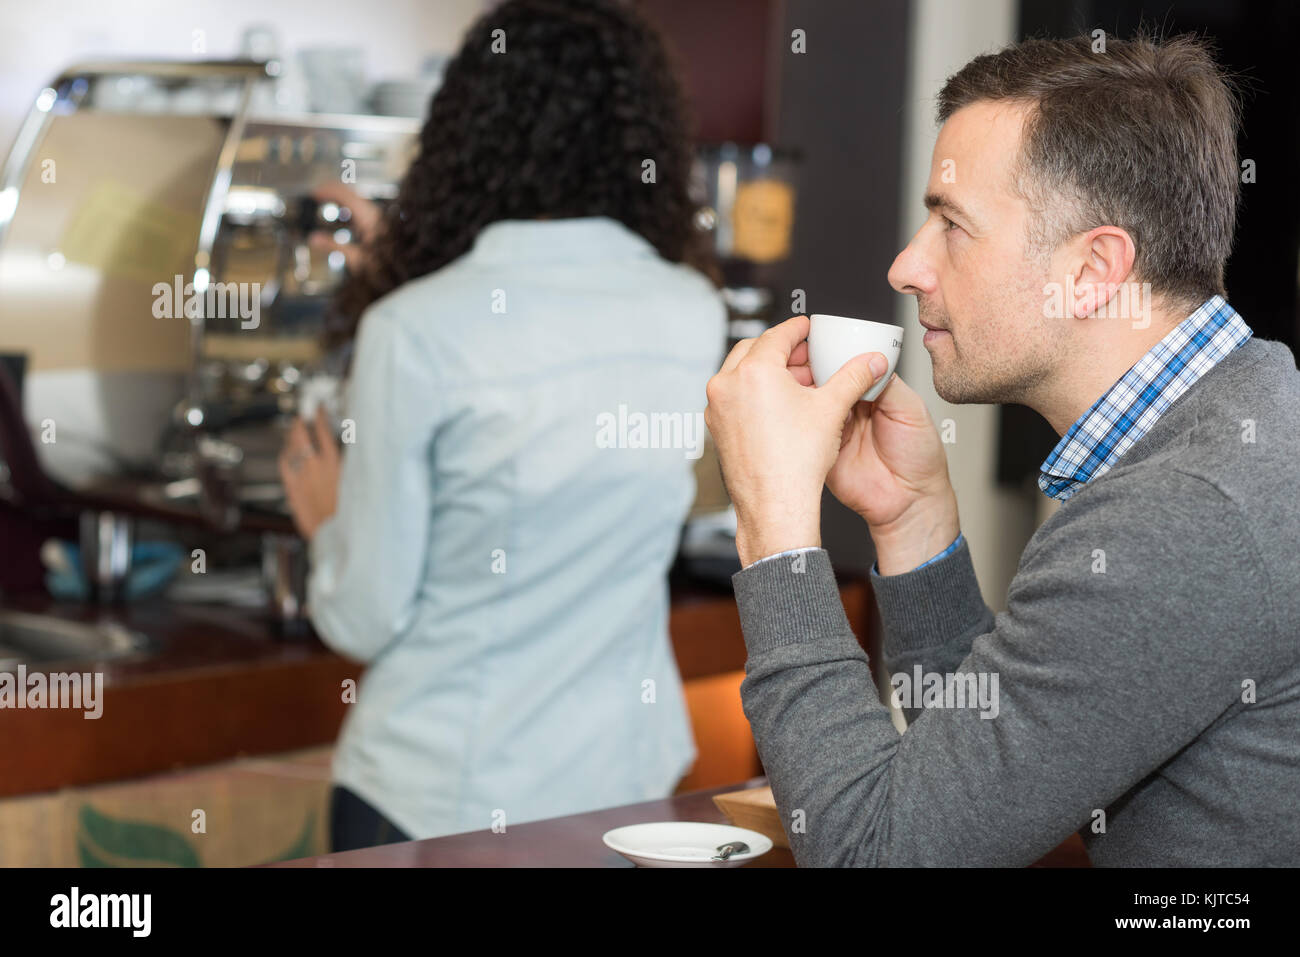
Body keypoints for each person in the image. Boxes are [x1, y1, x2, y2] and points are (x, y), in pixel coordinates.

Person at [703, 32, 1300, 866]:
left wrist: (775, 532)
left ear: (1095, 268)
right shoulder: (1253, 413)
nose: (907, 264)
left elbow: (876, 851)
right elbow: (995, 796)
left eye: (951, 223)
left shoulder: (1181, 515)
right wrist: (915, 524)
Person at [277, 0, 725, 849]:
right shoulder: (690, 309)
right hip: (625, 792)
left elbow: (365, 616)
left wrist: (327, 525)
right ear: (646, 135)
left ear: (468, 130)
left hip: (437, 797)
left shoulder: (416, 328)